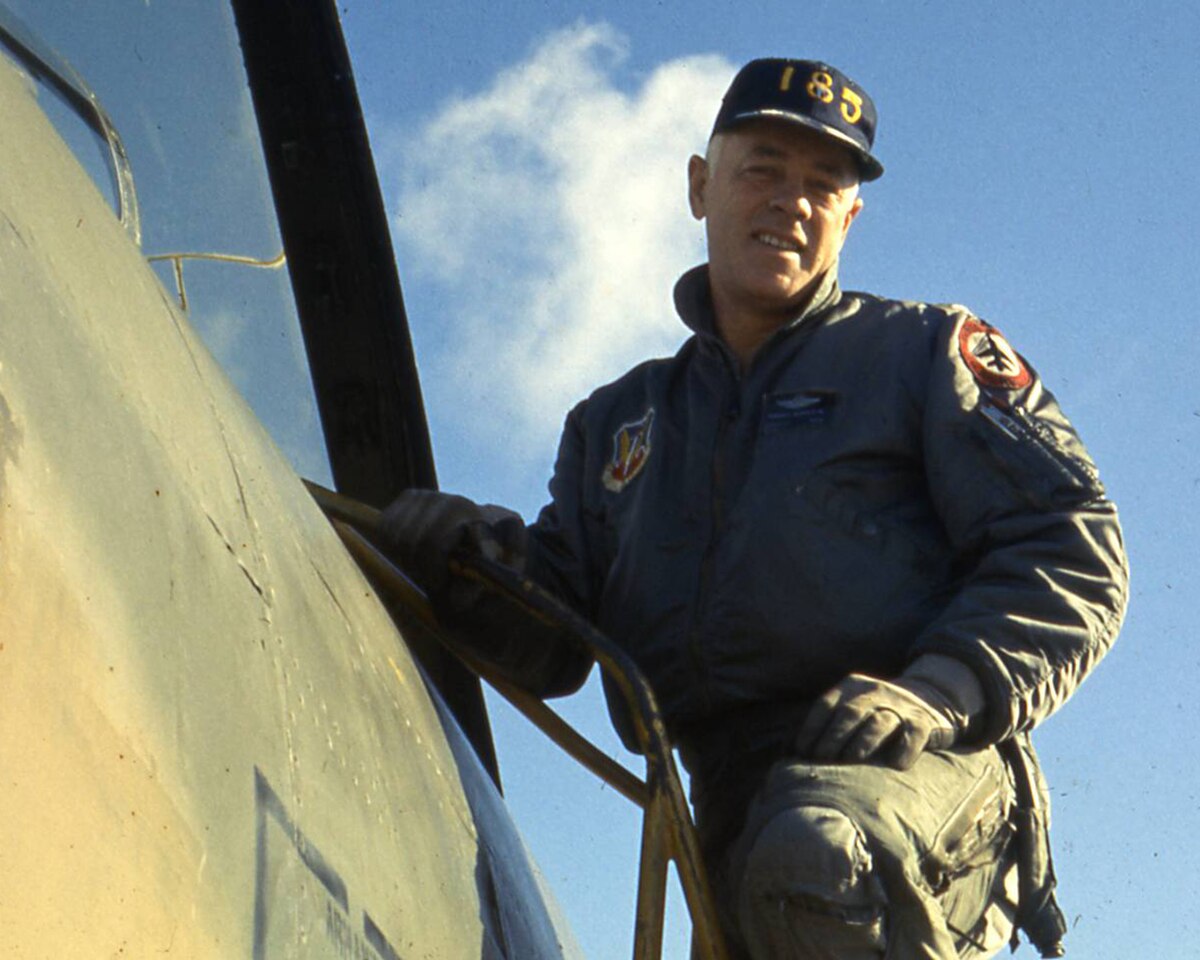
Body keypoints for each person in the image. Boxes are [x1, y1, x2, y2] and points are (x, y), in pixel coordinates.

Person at [381, 58, 1128, 959]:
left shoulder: (925, 356)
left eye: (824, 184)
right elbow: (557, 638)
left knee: (818, 860)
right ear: (702, 186)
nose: (792, 200)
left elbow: (1074, 549)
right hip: (724, 806)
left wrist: (938, 691)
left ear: (851, 216)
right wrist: (469, 560)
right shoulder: (616, 423)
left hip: (908, 776)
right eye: (764, 169)